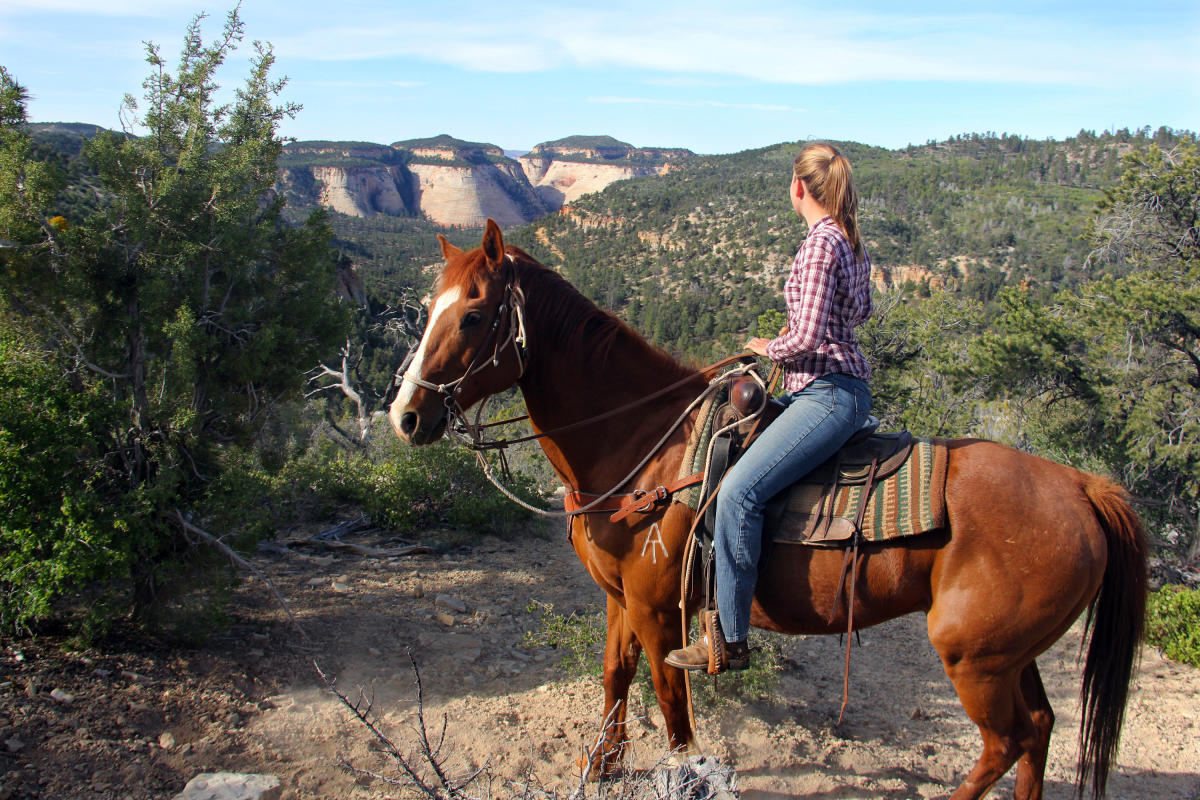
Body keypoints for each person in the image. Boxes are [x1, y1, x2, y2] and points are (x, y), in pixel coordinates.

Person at [666, 142, 874, 672]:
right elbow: (860, 314)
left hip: (826, 393)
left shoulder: (819, 244)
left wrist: (770, 347)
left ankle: (731, 639)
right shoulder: (850, 239)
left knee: (739, 492)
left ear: (799, 186)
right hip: (834, 388)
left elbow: (807, 337)